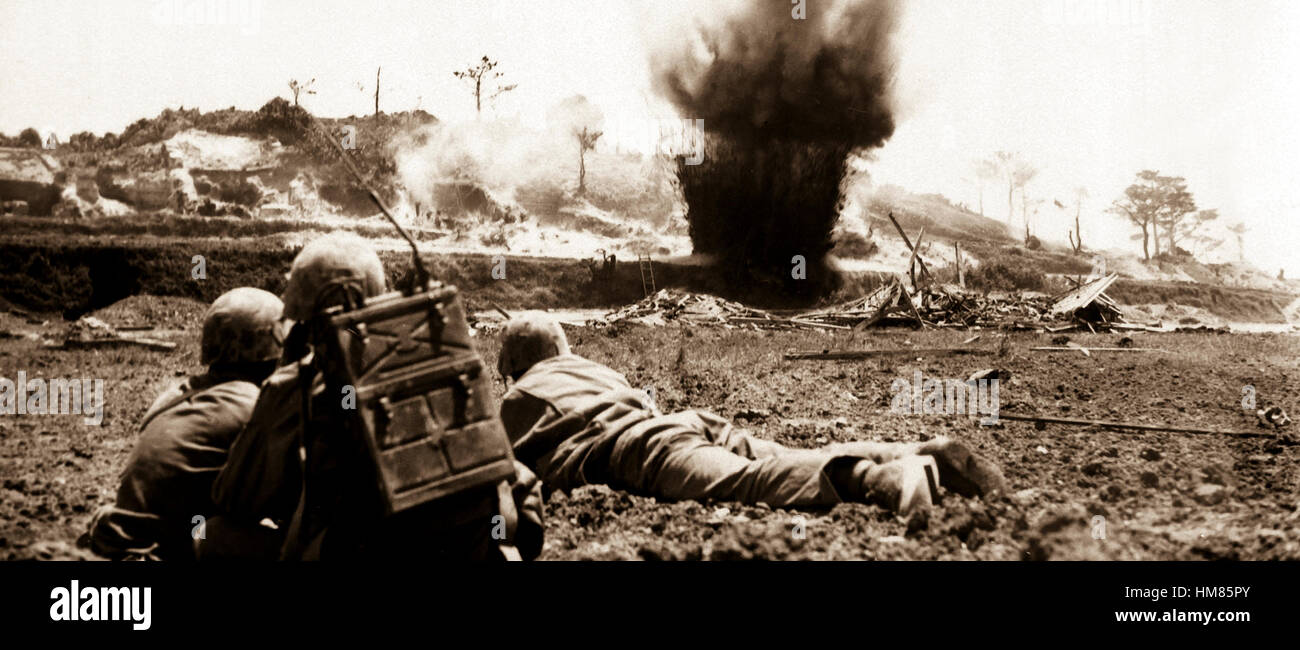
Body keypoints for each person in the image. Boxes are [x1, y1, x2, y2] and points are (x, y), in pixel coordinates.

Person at [212, 231, 544, 560]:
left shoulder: (299, 385)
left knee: (215, 534)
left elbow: (235, 498)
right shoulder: (444, 362)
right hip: (473, 547)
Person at [498, 311, 1006, 516]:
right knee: (785, 454)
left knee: (746, 483)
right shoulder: (598, 370)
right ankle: (913, 451)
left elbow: (499, 473)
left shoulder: (517, 398)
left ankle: (877, 479)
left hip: (636, 449)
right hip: (684, 424)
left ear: (517, 363)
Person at [86, 287, 286, 560]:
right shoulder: (252, 405)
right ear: (274, 347)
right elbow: (278, 499)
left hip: (117, 541)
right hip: (159, 553)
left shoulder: (175, 394)